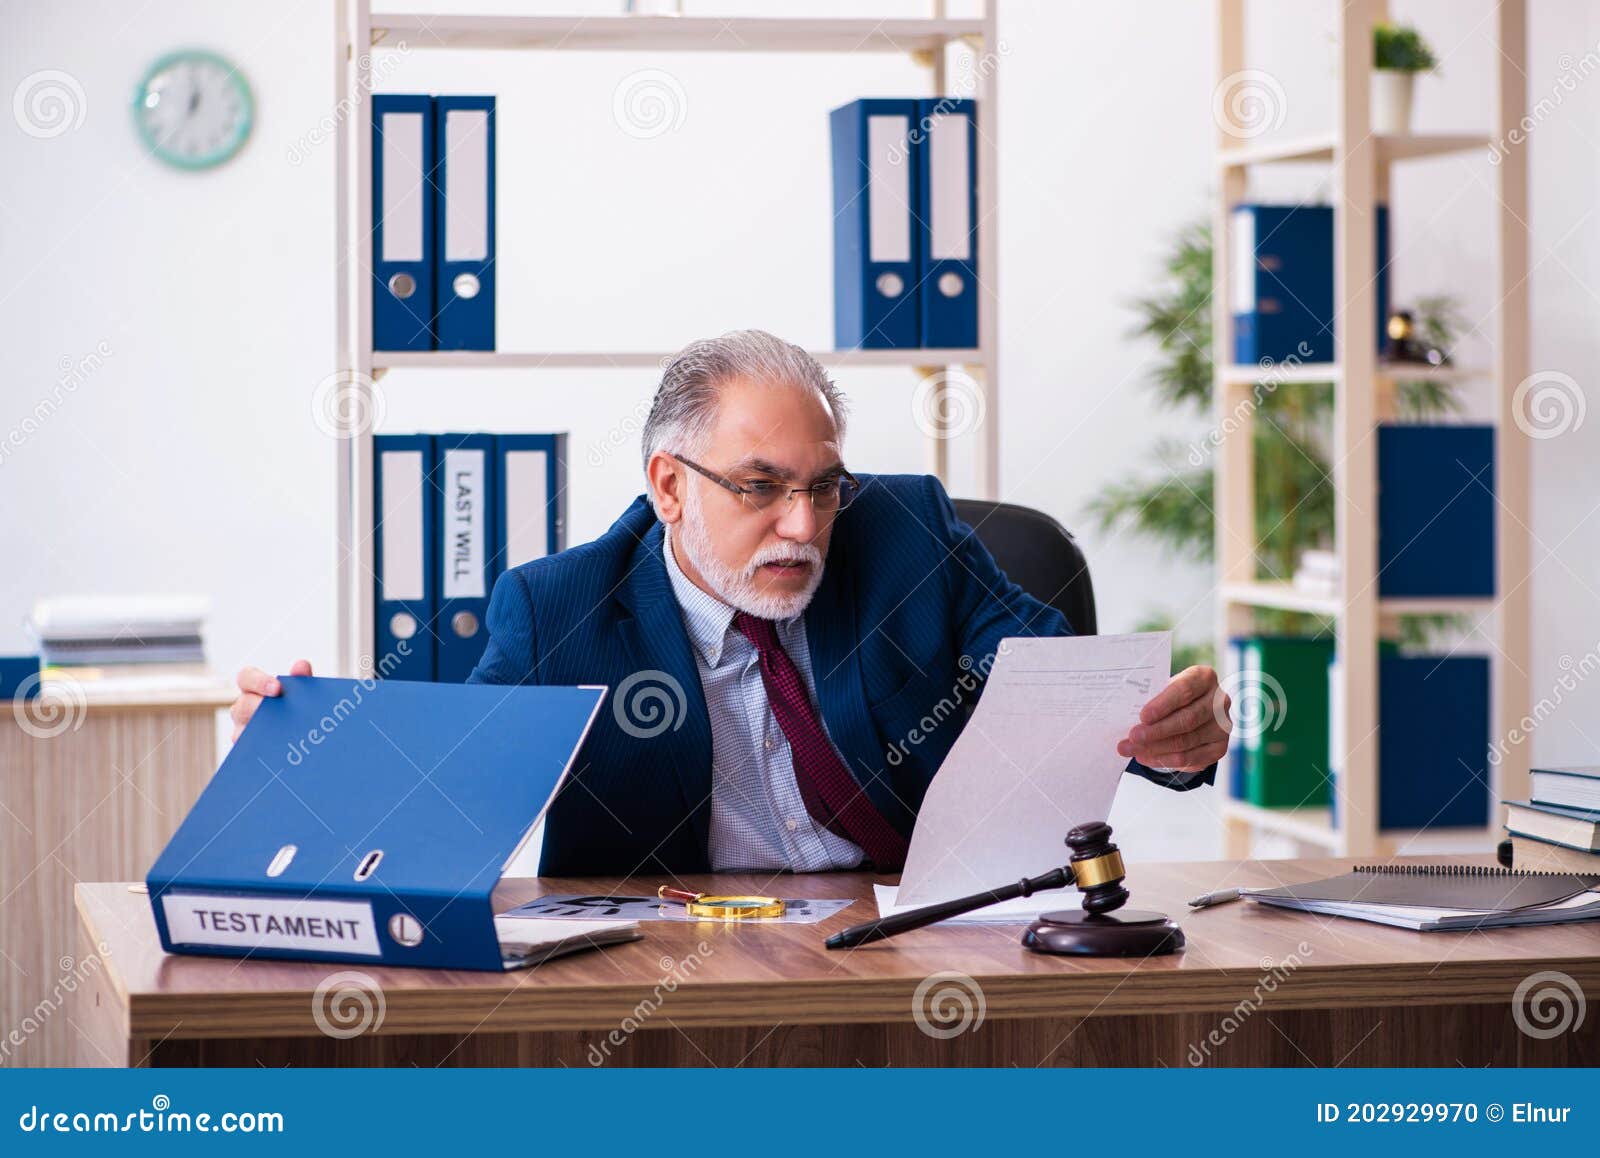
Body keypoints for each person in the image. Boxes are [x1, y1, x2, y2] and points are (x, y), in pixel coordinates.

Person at [232, 330, 1230, 875]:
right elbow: (450, 780)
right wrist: (310, 748)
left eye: (822, 485)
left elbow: (1076, 688)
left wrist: (1175, 737)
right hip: (676, 978)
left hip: (922, 946)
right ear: (670, 487)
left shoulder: (909, 535)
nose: (802, 525)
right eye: (759, 488)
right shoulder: (561, 608)